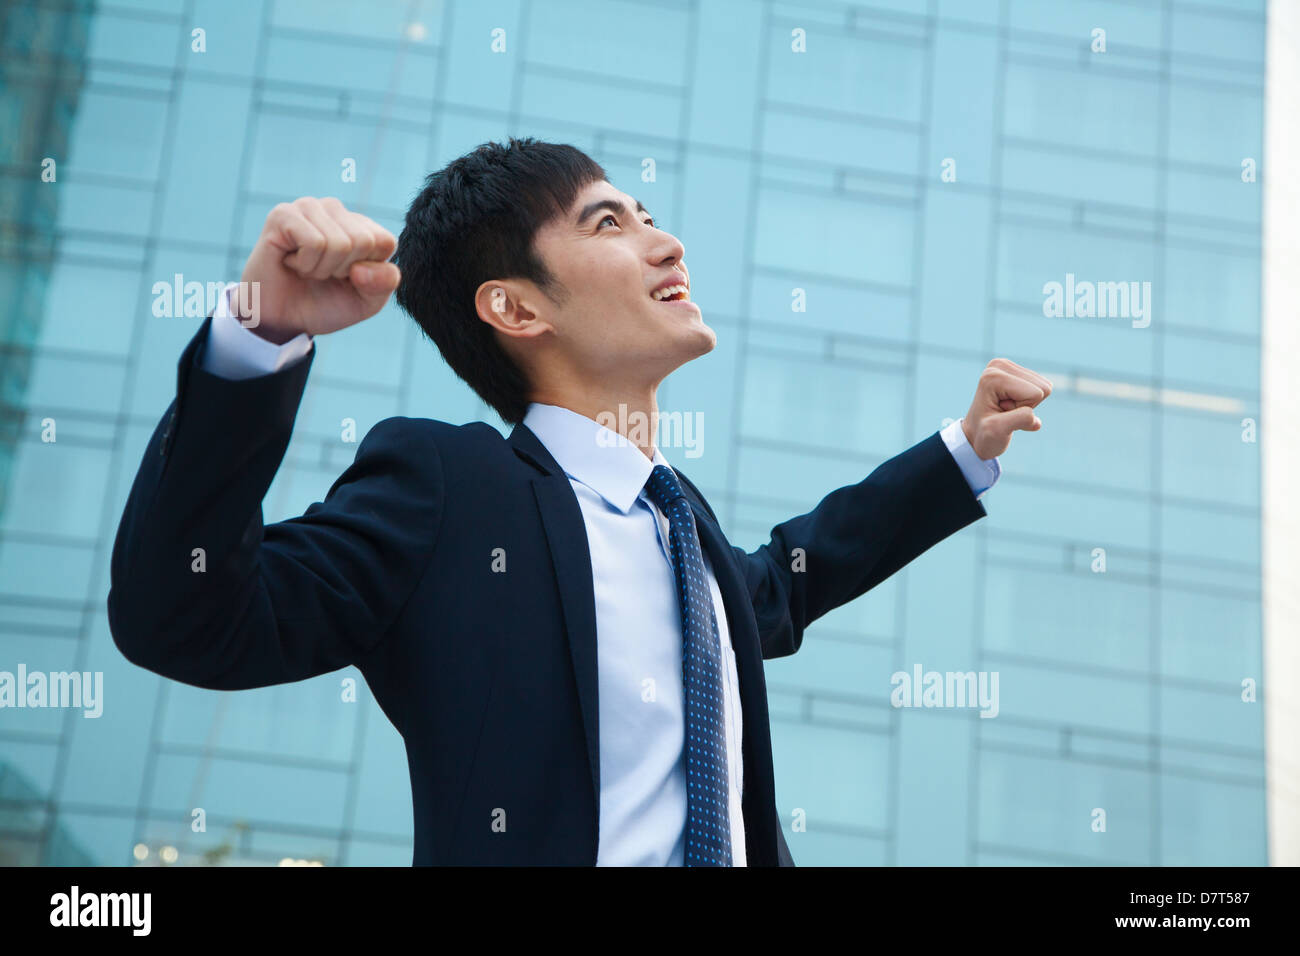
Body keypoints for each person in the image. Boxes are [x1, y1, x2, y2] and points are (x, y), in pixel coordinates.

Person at [107, 137, 1051, 866]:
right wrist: (261, 338)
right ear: (517, 309)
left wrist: (958, 453)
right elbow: (186, 615)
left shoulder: (686, 536)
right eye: (609, 223)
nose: (664, 239)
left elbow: (786, 582)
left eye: (646, 214)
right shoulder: (450, 493)